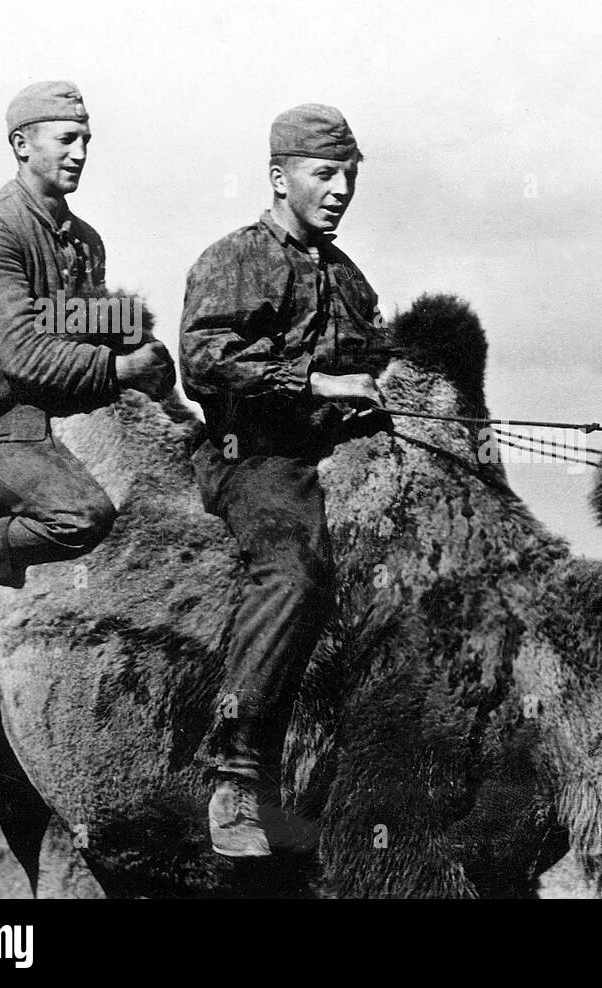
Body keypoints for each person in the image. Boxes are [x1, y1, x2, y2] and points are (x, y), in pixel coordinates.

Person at [180, 103, 391, 857]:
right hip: (252, 460)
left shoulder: (351, 281)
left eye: (350, 176)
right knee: (295, 574)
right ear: (279, 177)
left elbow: (375, 363)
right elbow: (203, 362)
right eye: (324, 173)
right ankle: (234, 776)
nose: (341, 189)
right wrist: (316, 385)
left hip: (330, 459)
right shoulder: (233, 259)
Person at [0, 81, 174, 616]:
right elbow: (23, 354)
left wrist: (147, 351)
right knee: (82, 516)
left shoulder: (84, 240)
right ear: (22, 145)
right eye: (67, 139)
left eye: (86, 141)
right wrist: (123, 368)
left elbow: (74, 319)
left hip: (32, 415)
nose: (79, 154)